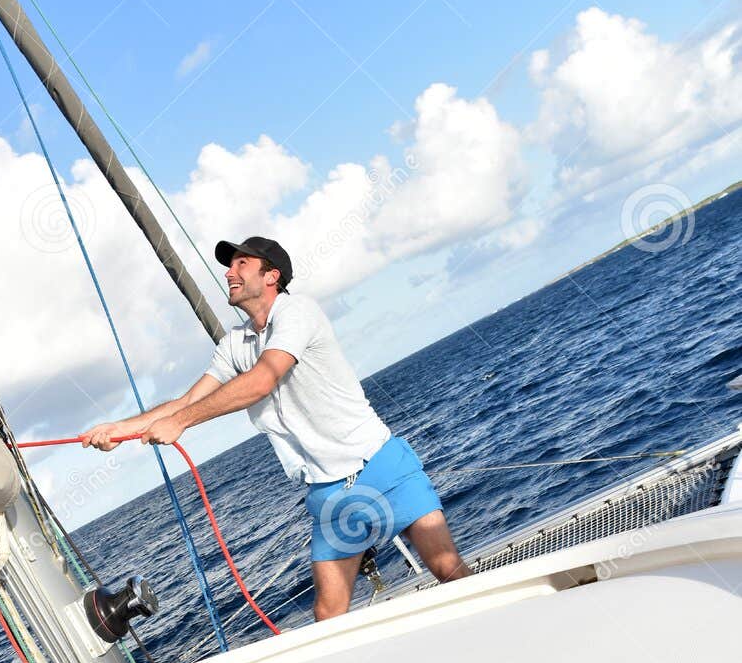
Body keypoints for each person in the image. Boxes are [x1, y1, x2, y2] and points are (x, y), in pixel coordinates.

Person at [82, 235, 470, 620]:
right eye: (229, 265)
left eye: (240, 264)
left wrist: (180, 423)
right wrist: (120, 428)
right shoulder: (235, 343)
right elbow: (186, 402)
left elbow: (262, 379)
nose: (228, 272)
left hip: (381, 465)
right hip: (329, 493)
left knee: (448, 570)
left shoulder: (297, 312)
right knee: (328, 618)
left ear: (272, 276)